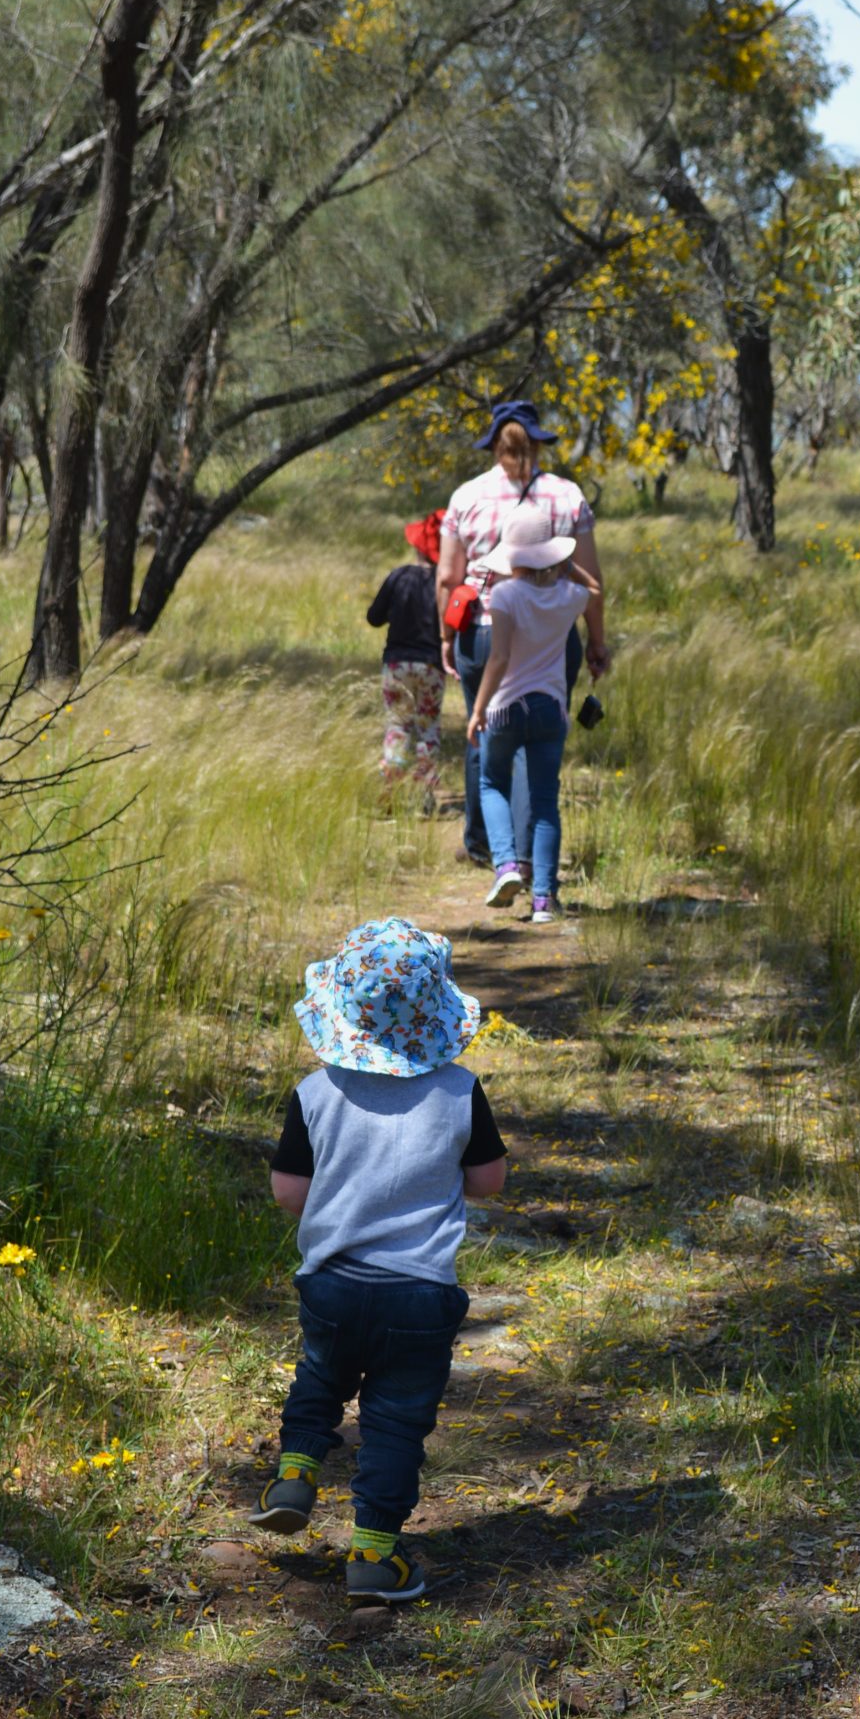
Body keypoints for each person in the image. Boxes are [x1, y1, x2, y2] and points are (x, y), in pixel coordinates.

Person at [250, 917, 508, 1606]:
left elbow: (288, 1193)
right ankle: (372, 1555)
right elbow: (486, 1182)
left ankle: (296, 1474)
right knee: (395, 1420)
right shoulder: (458, 1091)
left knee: (320, 1377)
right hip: (420, 1294)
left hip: (332, 1283)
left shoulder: (315, 1093)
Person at [437, 401, 609, 866]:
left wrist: (447, 637)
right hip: (552, 634)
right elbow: (590, 582)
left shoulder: (465, 497)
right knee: (536, 736)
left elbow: (447, 579)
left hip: (482, 629)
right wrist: (595, 642)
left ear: (495, 443)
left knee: (484, 730)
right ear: (538, 441)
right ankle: (528, 849)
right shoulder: (568, 496)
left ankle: (484, 846)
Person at [467, 507, 600, 923]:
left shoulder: (505, 595)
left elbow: (500, 657)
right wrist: (564, 564)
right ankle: (544, 899)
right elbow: (594, 588)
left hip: (506, 705)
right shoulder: (567, 596)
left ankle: (506, 865)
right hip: (550, 708)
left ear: (511, 555)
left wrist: (477, 709)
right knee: (545, 802)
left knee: (492, 783)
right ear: (550, 555)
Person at [367, 512, 446, 801]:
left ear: (416, 546)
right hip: (431, 664)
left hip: (397, 663)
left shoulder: (398, 577)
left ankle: (390, 789)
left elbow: (374, 617)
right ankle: (424, 793)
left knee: (398, 725)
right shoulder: (444, 582)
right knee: (428, 727)